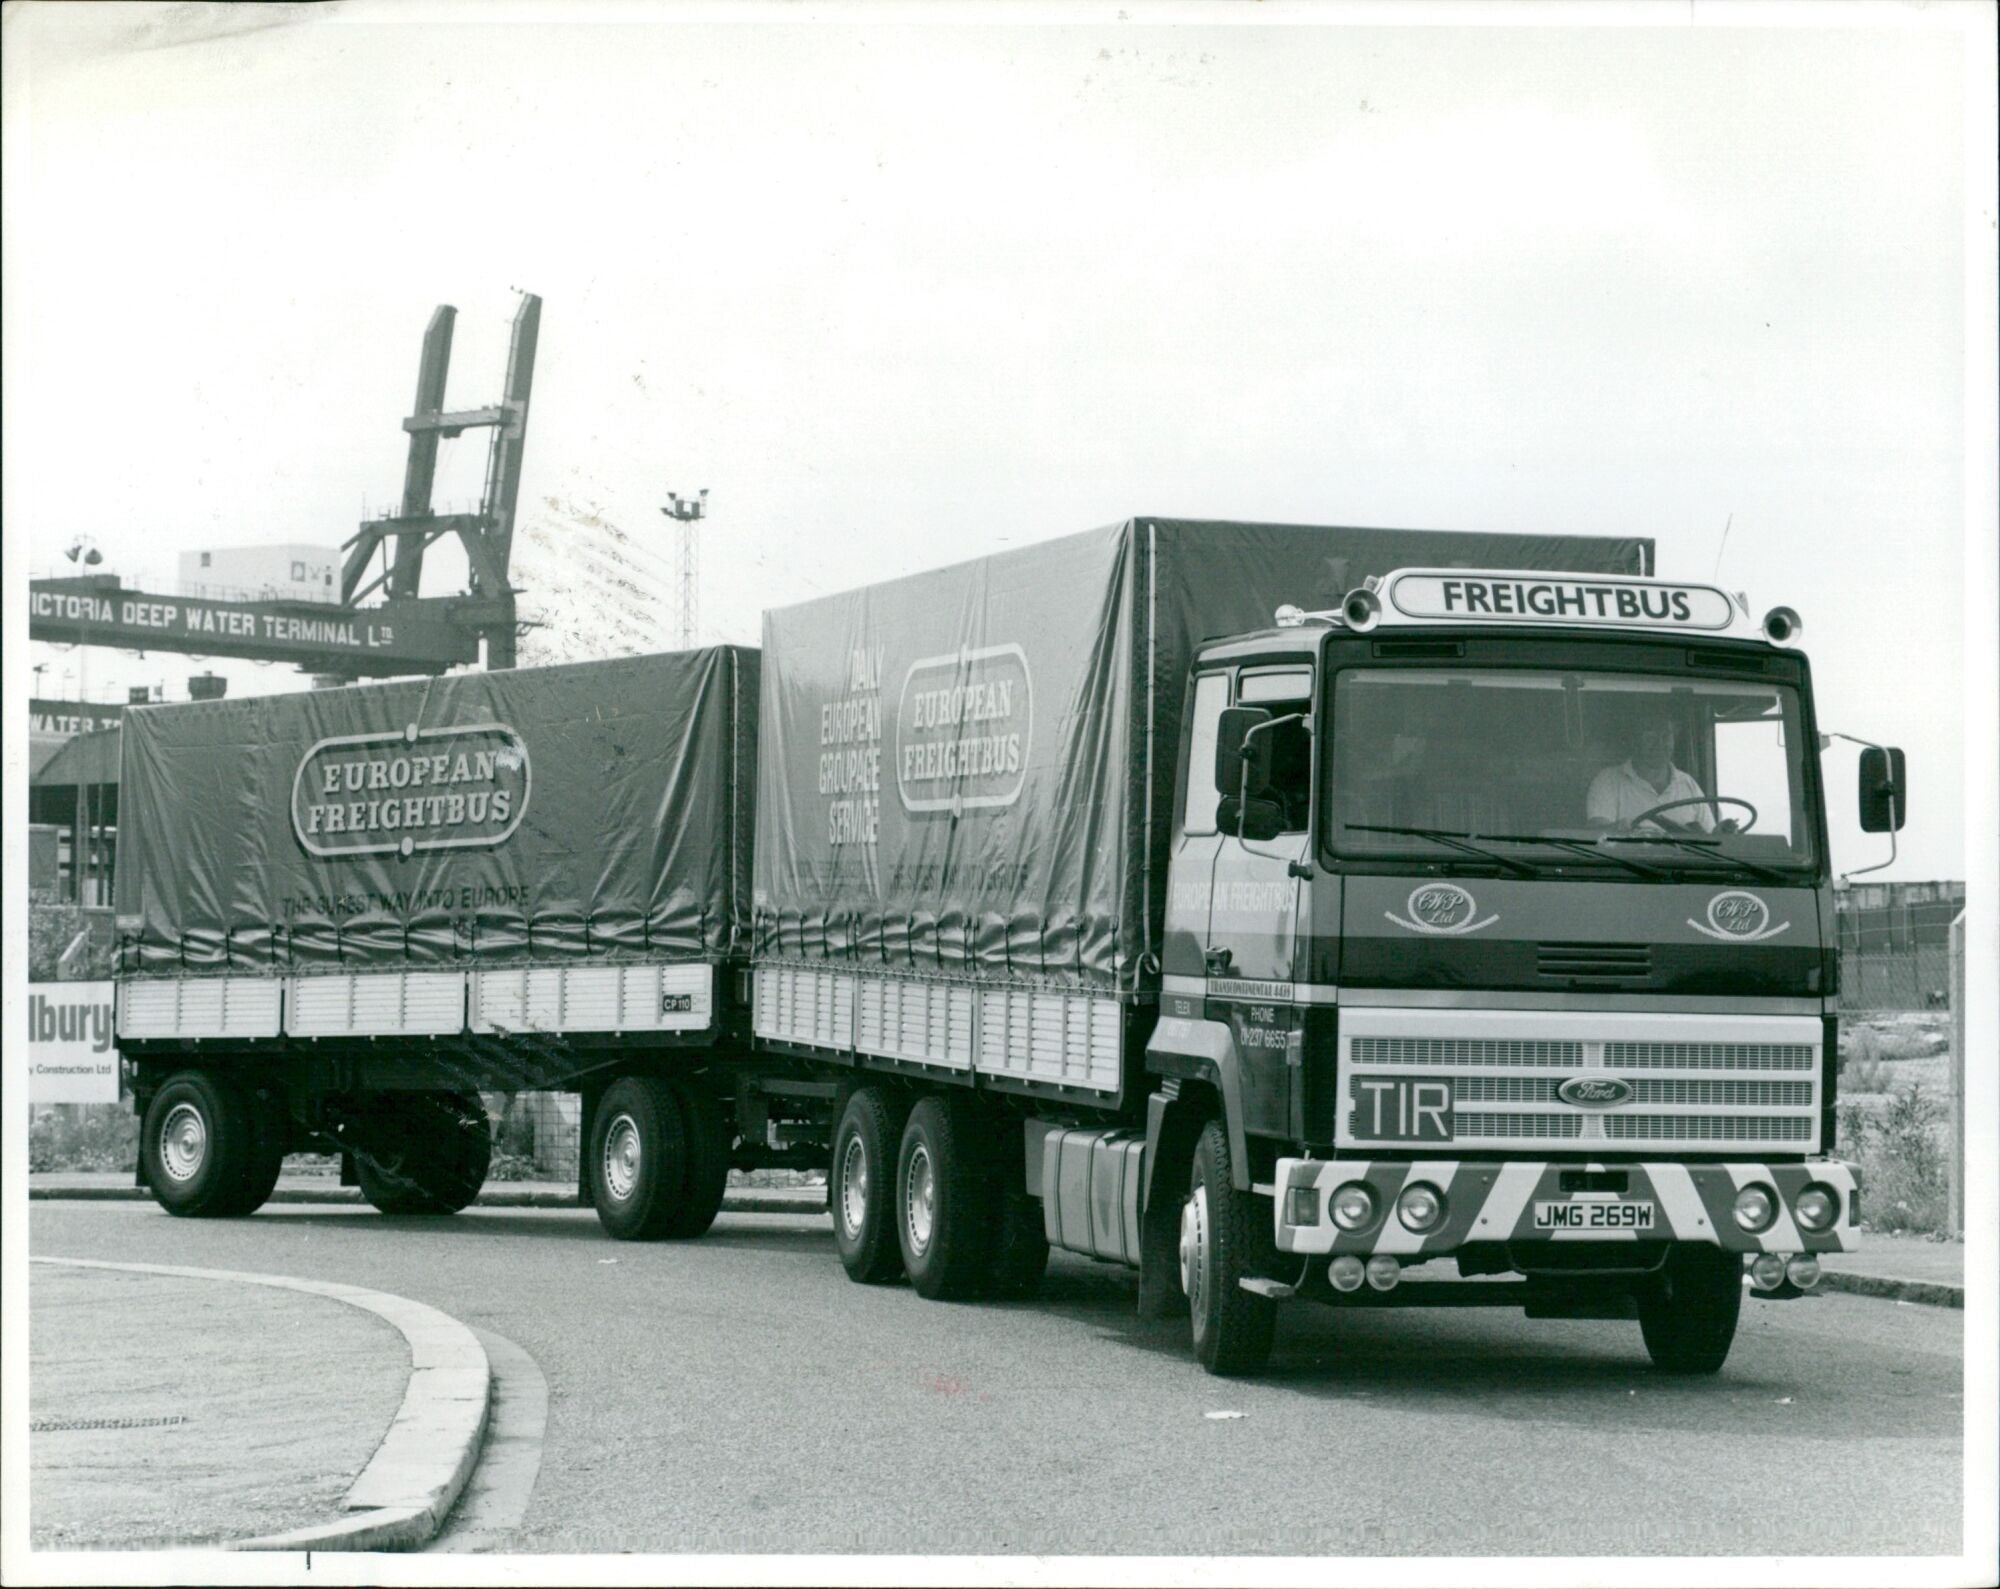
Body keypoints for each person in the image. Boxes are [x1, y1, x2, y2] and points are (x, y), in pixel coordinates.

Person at [1587, 706, 1716, 832]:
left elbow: (1710, 839)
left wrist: (1721, 832)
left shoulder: (1689, 784)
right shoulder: (1608, 781)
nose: (1659, 744)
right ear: (1634, 740)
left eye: (1666, 736)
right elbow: (1597, 835)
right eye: (1650, 737)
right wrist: (1619, 830)